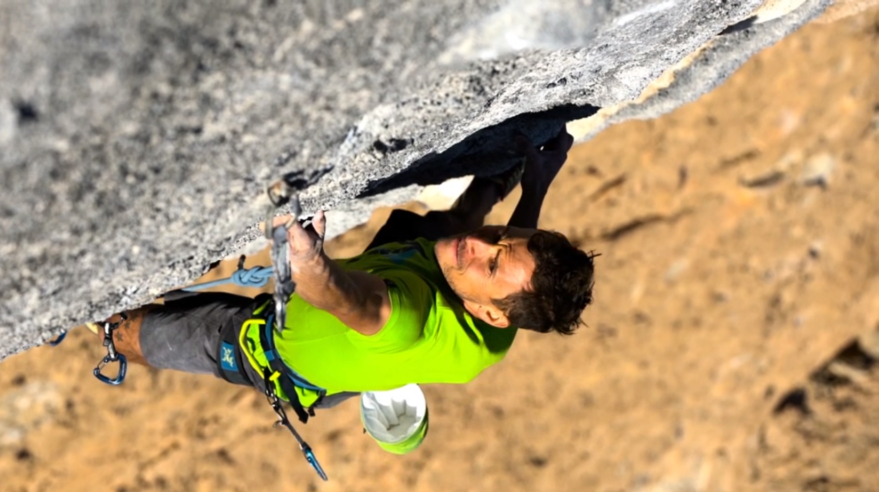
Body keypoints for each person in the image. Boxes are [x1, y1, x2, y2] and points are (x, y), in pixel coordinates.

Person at [96, 127, 595, 421]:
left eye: (492, 261)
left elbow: (339, 297)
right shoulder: (507, 310)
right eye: (502, 237)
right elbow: (512, 260)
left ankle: (112, 337)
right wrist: (534, 188)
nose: (484, 243)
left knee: (139, 334)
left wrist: (307, 256)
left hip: (272, 351)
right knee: (448, 237)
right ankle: (490, 188)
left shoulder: (404, 318)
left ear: (489, 312)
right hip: (374, 324)